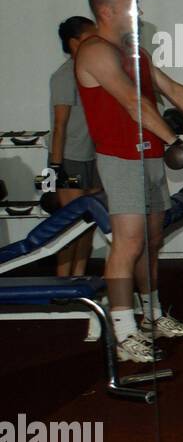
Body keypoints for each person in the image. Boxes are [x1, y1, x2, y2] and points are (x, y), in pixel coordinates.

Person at [75, 0, 183, 362]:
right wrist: (175, 141)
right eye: (132, 5)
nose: (140, 12)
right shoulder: (95, 52)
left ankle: (153, 316)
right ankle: (125, 333)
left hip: (147, 156)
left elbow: (172, 90)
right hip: (120, 159)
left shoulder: (135, 53)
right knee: (127, 243)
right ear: (107, 11)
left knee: (151, 240)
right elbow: (132, 103)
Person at [48, 16, 101, 278]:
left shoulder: (91, 74)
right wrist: (54, 171)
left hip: (93, 157)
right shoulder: (64, 76)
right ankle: (61, 283)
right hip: (69, 159)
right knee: (70, 226)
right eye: (91, 38)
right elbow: (59, 126)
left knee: (89, 223)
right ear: (74, 42)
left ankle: (78, 279)